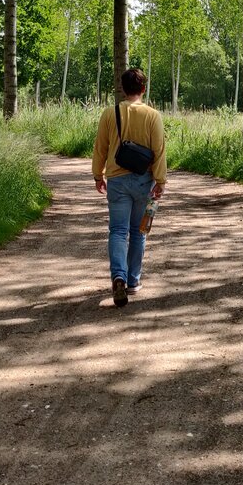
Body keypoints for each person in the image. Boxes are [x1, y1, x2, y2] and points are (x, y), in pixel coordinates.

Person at [92, 68, 167, 307]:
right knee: (138, 231)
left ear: (123, 89)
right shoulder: (153, 115)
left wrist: (97, 174)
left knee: (117, 231)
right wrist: (160, 180)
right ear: (143, 89)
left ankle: (118, 277)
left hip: (116, 179)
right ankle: (133, 281)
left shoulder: (109, 113)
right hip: (144, 180)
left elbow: (100, 147)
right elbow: (158, 150)